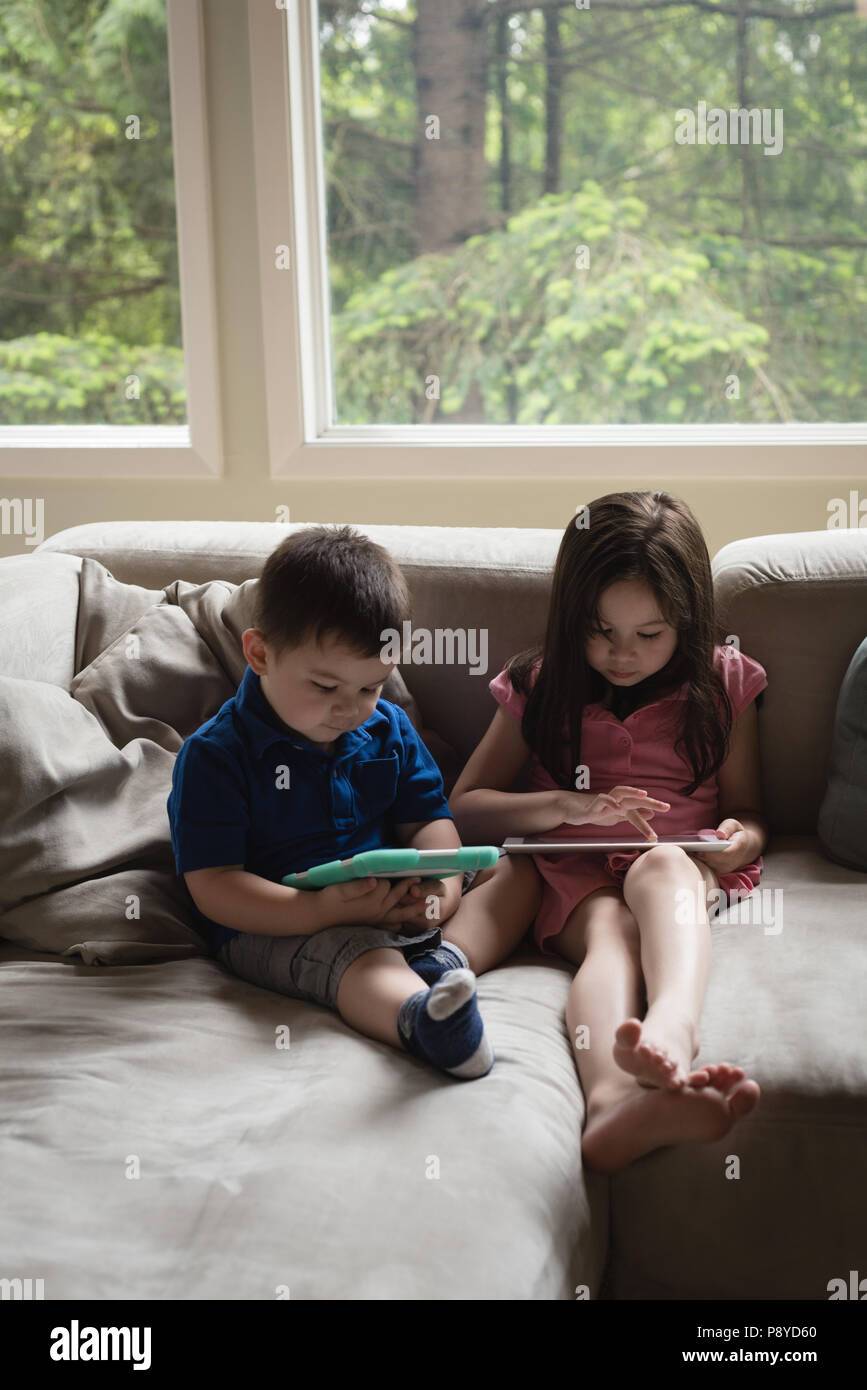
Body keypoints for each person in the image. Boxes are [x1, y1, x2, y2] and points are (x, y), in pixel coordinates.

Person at [449, 490, 763, 1170]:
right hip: (569, 873)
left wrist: (741, 839)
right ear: (570, 618)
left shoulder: (723, 684)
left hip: (677, 861)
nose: (621, 655)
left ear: (687, 619)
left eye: (648, 635)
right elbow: (467, 804)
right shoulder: (539, 686)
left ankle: (671, 1030)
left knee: (662, 869)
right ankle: (611, 1106)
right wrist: (561, 806)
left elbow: (750, 812)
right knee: (608, 934)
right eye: (599, 630)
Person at [167, 525, 539, 1081]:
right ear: (260, 653)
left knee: (523, 871)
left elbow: (430, 821)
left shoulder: (389, 728)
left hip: (392, 901)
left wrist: (439, 890)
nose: (351, 710)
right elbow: (213, 885)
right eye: (324, 687)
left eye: (370, 688)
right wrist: (316, 911)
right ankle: (424, 1024)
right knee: (362, 956)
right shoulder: (215, 756)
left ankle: (443, 963)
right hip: (286, 922)